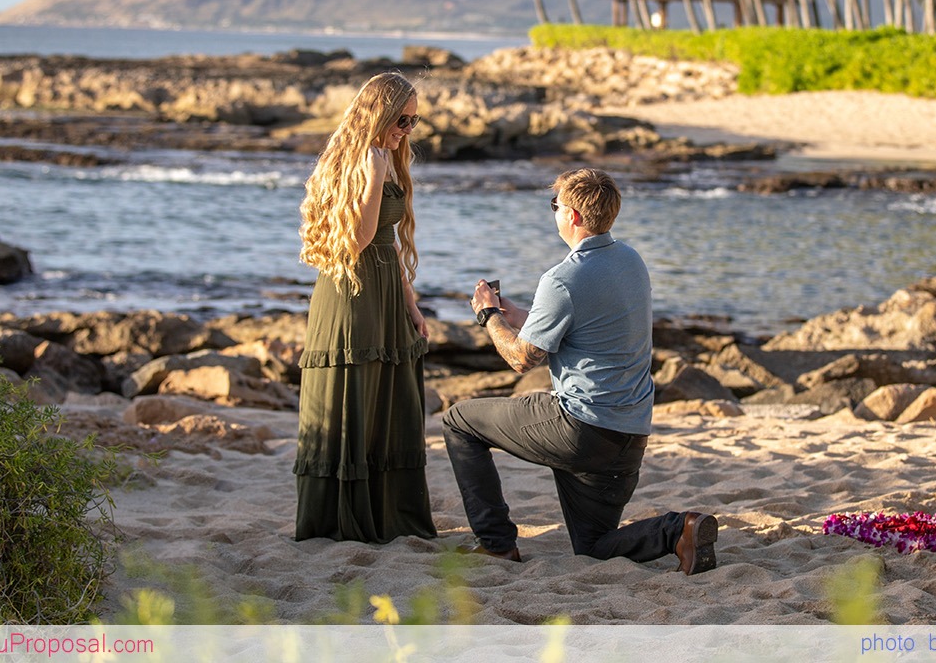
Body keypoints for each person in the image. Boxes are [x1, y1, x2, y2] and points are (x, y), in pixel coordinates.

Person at [441, 167, 719, 573]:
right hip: (629, 434)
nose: (553, 212)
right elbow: (574, 321)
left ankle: (497, 545)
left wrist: (488, 317)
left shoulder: (562, 279)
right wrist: (514, 313)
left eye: (555, 206)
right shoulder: (630, 260)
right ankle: (678, 530)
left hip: (581, 430)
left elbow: (522, 359)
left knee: (458, 421)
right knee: (593, 546)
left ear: (571, 215)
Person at [292, 71, 436, 543]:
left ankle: (386, 512)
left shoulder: (390, 158)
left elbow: (390, 243)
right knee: (353, 396)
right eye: (401, 119)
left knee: (388, 401)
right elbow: (355, 241)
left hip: (385, 294)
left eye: (414, 121)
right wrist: (374, 177)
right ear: (378, 112)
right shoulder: (354, 163)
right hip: (350, 294)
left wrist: (411, 305)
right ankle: (340, 519)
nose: (406, 130)